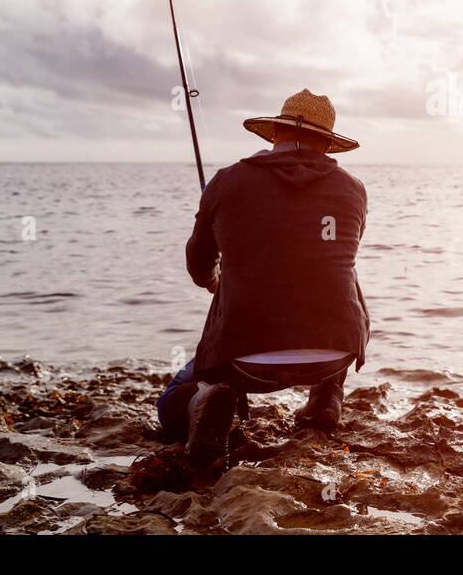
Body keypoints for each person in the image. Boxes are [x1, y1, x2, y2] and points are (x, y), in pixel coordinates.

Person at [156, 89, 369, 466]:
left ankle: (203, 400)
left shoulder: (227, 181)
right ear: (328, 143)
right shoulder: (353, 190)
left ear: (274, 134)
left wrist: (212, 279)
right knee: (339, 272)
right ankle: (325, 401)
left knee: (173, 396)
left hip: (244, 361)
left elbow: (197, 264)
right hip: (336, 352)